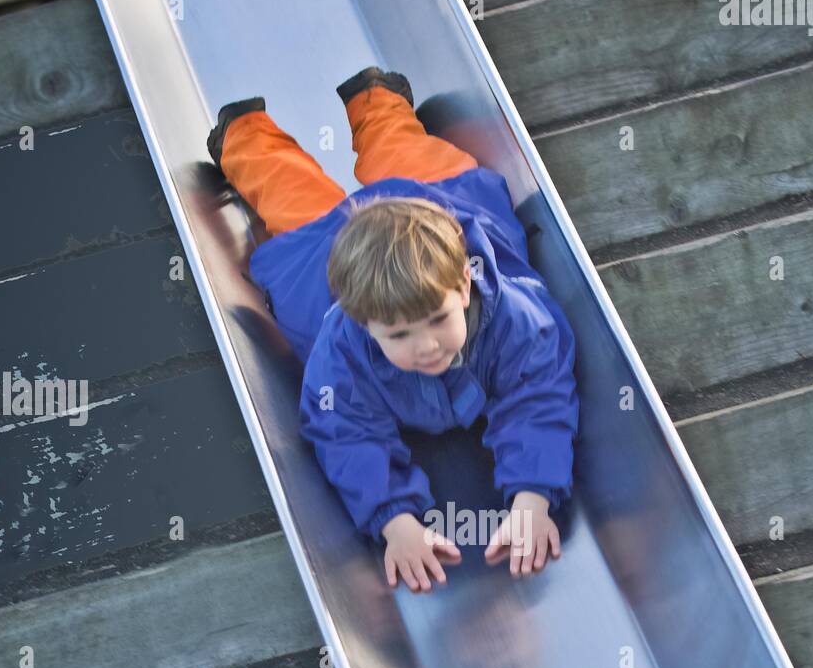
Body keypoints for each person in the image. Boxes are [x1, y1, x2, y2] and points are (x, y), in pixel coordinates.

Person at [207, 67, 579, 592]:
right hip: (325, 247)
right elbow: (345, 431)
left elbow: (537, 396)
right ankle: (244, 133)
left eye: (437, 321)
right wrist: (395, 520)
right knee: (288, 190)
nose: (426, 346)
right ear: (362, 324)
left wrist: (533, 497)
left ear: (466, 286)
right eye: (399, 336)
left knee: (403, 151)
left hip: (439, 200)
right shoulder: (343, 351)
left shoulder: (518, 321)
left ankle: (374, 97)